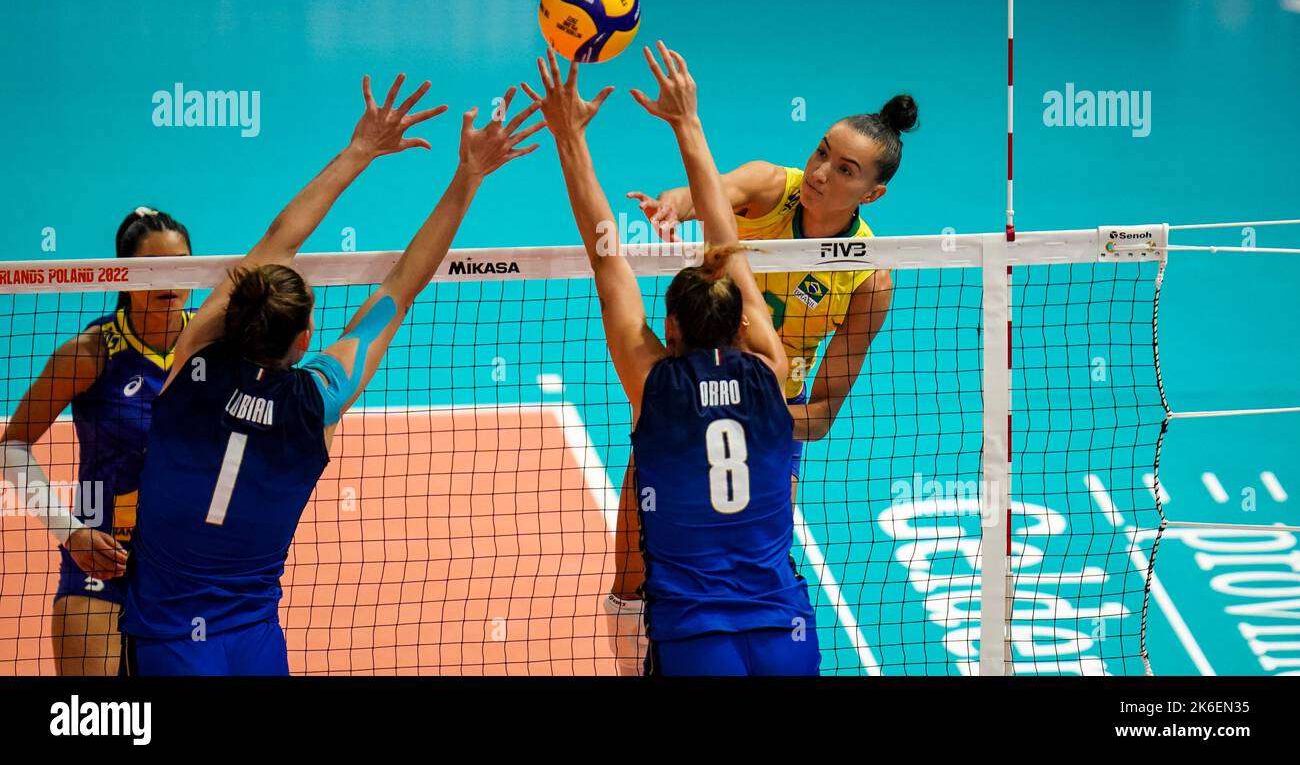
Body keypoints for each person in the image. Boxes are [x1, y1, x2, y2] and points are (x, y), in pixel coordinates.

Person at [118, 75, 542, 675]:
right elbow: (403, 284)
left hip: (168, 641)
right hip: (254, 641)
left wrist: (359, 150)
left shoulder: (192, 359)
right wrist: (468, 175)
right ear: (305, 341)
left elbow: (279, 239)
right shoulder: (319, 399)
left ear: (235, 315)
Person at [523, 42, 819, 674]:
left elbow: (607, 258)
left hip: (693, 634)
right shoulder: (772, 369)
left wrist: (569, 137)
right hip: (783, 624)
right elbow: (725, 240)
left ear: (669, 327)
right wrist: (688, 122)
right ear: (745, 320)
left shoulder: (654, 383)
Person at [608, 81, 918, 672]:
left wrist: (764, 421)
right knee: (632, 564)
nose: (821, 171)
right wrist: (675, 202)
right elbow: (714, 195)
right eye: (822, 151)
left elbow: (823, 411)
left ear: (872, 194)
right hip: (686, 390)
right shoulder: (771, 188)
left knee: (751, 565)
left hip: (772, 411)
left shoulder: (869, 279)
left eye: (845, 169)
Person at [0, 206, 193, 675]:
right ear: (125, 277)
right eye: (152, 270)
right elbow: (11, 446)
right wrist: (70, 532)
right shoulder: (89, 355)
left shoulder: (213, 347)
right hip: (100, 559)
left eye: (180, 266)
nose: (168, 282)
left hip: (187, 565)